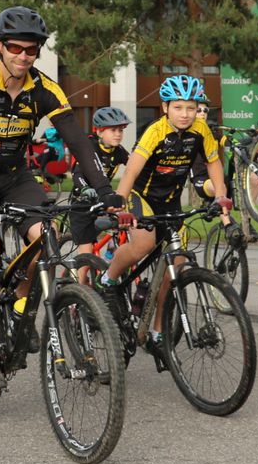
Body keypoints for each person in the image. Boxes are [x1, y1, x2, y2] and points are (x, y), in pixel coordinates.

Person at [0, 7, 121, 390]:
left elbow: (77, 139)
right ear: (0, 46)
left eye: (32, 50)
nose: (23, 56)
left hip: (15, 175)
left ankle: (17, 306)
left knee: (44, 237)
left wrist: (105, 190)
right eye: (15, 47)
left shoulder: (44, 89)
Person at [97, 76, 236, 343]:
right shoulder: (155, 131)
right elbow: (132, 170)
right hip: (142, 195)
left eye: (191, 107)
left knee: (176, 268)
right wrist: (119, 205)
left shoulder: (201, 131)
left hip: (171, 201)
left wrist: (221, 197)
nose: (185, 114)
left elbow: (213, 162)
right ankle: (109, 278)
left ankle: (158, 331)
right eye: (178, 107)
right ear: (165, 107)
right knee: (144, 244)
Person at [68, 106, 132, 283]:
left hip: (104, 200)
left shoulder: (118, 150)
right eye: (113, 130)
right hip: (82, 203)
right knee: (86, 250)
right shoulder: (89, 146)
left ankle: (112, 250)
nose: (118, 134)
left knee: (127, 223)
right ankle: (79, 289)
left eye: (120, 130)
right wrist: (85, 190)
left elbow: (134, 167)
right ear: (99, 131)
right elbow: (77, 174)